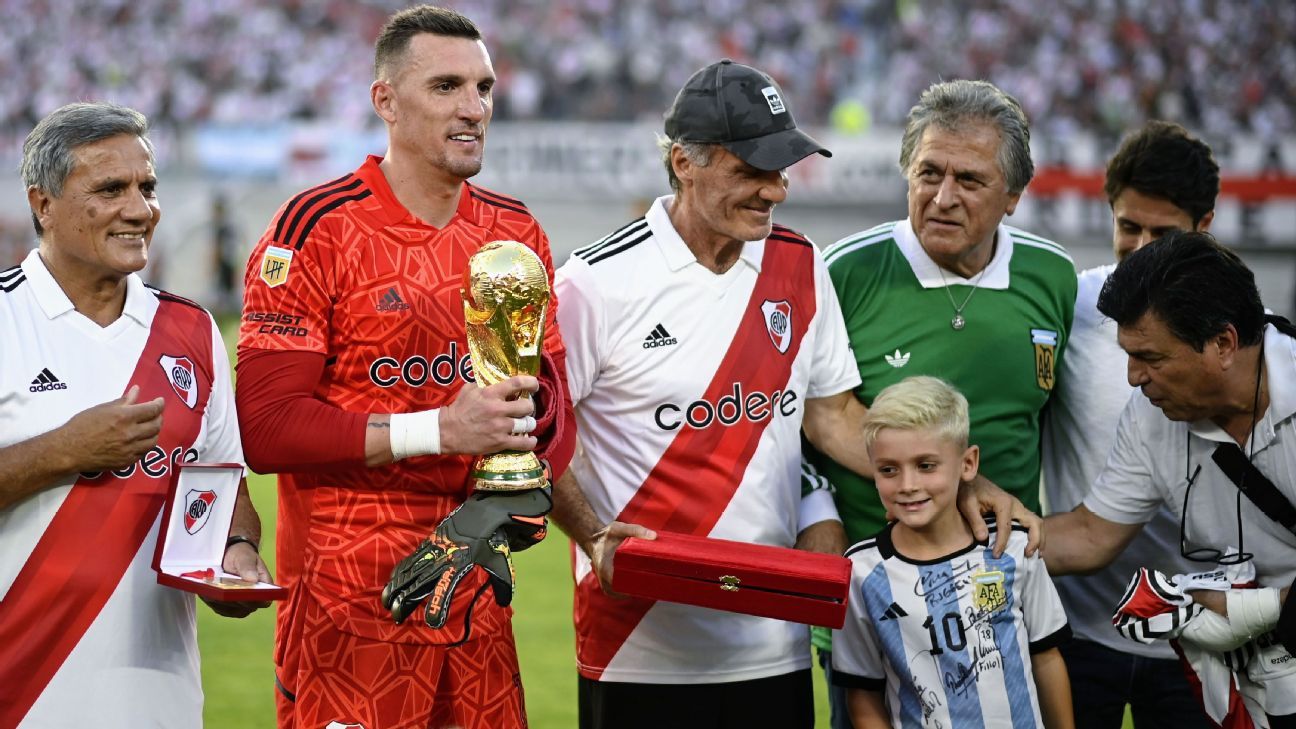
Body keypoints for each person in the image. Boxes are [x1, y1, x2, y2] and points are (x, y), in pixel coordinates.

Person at [551, 60, 1033, 729]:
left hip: (771, 637)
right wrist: (594, 534)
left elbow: (834, 417)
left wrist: (951, 484)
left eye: (783, 170)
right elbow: (537, 433)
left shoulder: (800, 262)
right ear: (685, 162)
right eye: (753, 170)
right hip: (638, 641)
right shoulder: (595, 282)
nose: (775, 190)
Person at [234, 6, 574, 729]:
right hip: (347, 610)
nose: (474, 108)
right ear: (384, 100)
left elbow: (552, 412)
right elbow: (266, 427)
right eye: (447, 86)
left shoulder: (515, 231)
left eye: (483, 88)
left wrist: (498, 498)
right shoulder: (315, 230)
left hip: (478, 592)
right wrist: (439, 430)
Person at [806, 78, 1075, 727]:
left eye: (971, 180)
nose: (943, 196)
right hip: (880, 602)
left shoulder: (1054, 278)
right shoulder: (844, 272)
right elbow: (812, 418)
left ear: (1013, 195)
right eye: (929, 172)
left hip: (1005, 595)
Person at [0, 102, 270, 727]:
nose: (138, 209)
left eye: (147, 187)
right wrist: (65, 450)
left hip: (160, 704)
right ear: (43, 205)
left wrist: (235, 551)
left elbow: (223, 484)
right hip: (21, 694)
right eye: (109, 189)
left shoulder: (192, 329)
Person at [1045, 232, 1296, 726]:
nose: (1133, 378)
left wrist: (1254, 611)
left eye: (1151, 358)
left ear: (1223, 343)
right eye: (1128, 356)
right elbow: (1091, 534)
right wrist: (975, 536)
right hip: (1261, 690)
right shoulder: (1150, 416)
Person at [1041, 121, 1218, 728]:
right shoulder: (1068, 308)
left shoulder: (1251, 342)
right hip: (1076, 628)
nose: (1142, 248)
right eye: (1128, 227)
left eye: (1163, 233)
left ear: (1205, 227)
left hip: (1199, 639)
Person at [833, 376, 1072, 729]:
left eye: (926, 465)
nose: (908, 485)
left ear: (968, 464)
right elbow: (864, 692)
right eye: (889, 470)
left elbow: (1047, 658)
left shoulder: (1014, 547)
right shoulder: (861, 572)